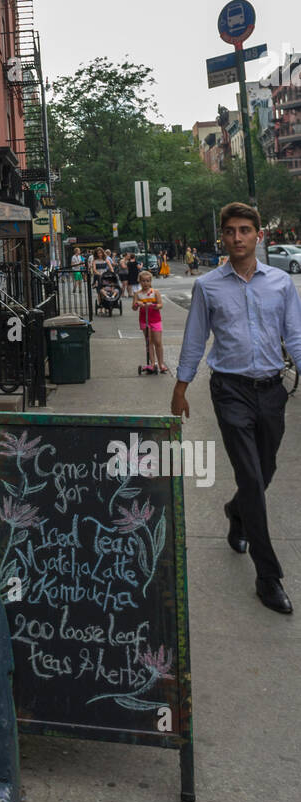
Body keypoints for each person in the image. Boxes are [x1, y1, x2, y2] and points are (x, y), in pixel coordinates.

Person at [172, 202, 301, 615]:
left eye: (246, 230)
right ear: (222, 237)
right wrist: (181, 386)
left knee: (265, 471)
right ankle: (268, 576)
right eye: (231, 231)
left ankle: (235, 512)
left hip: (271, 389)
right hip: (229, 391)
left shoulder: (281, 284)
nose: (238, 237)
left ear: (259, 235)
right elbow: (195, 340)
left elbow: (295, 338)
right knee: (250, 475)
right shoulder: (208, 286)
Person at [133, 270, 168, 373]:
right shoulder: (137, 294)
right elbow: (134, 307)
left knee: (158, 341)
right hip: (144, 320)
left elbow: (160, 305)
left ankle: (161, 363)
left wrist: (153, 305)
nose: (145, 283)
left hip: (155, 319)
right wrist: (137, 304)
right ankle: (152, 363)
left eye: (148, 281)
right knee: (149, 342)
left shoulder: (155, 292)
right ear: (140, 282)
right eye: (143, 281)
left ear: (151, 281)